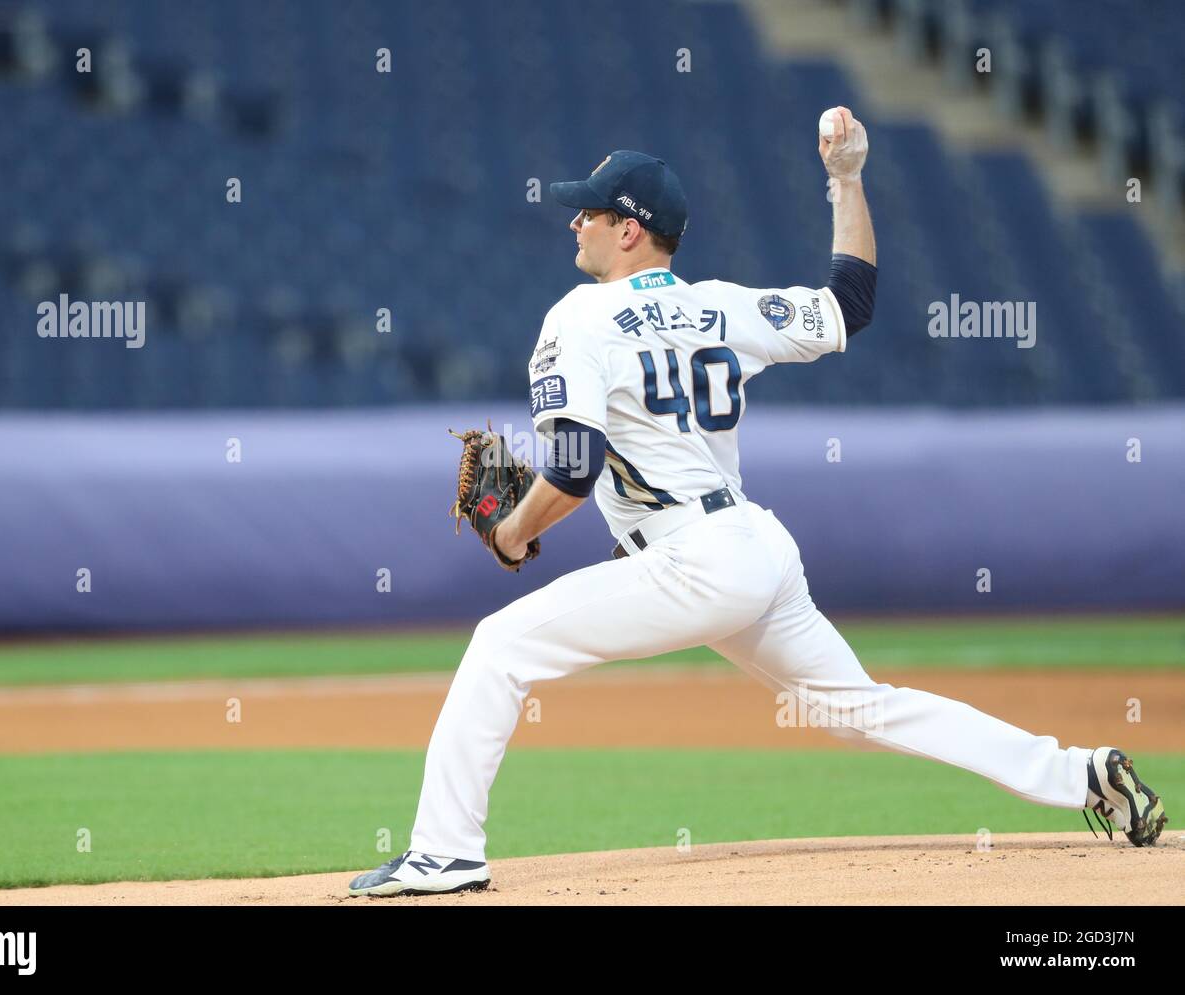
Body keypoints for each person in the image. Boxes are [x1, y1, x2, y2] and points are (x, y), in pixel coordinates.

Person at [348, 108, 1166, 898]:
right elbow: (851, 301)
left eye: (589, 212)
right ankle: (1081, 771)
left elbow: (572, 467)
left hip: (694, 561)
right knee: (860, 709)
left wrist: (513, 535)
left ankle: (444, 854)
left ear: (629, 229)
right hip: (753, 547)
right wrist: (846, 180)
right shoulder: (721, 304)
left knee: (499, 644)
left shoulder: (579, 318)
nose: (574, 223)